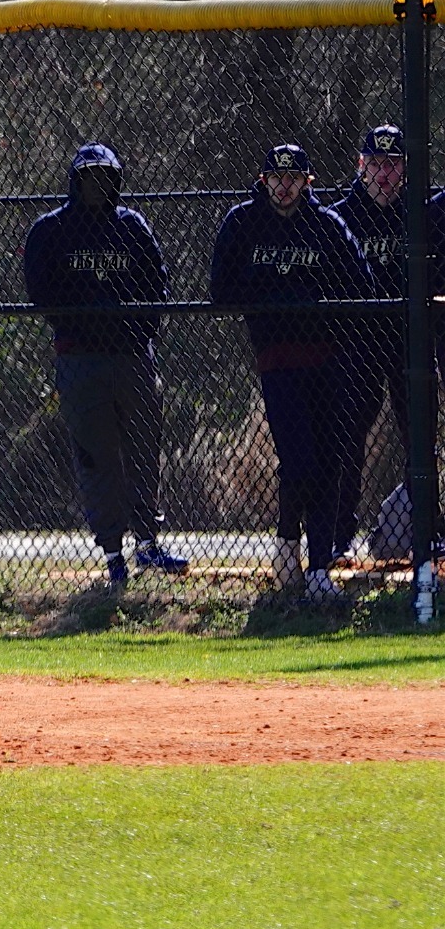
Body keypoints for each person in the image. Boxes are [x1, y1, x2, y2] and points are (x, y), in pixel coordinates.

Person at [211, 144, 374, 602]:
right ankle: (287, 541)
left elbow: (360, 287)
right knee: (299, 459)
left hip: (328, 359)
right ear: (263, 180)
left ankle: (318, 568)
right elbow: (220, 291)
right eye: (276, 177)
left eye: (294, 177)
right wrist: (278, 299)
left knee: (329, 462)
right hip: (277, 360)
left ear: (309, 181)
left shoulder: (327, 226)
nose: (284, 186)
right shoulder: (242, 223)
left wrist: (313, 303)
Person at [22, 142, 186, 585]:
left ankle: (148, 545)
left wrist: (139, 331)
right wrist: (84, 320)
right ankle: (113, 554)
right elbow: (41, 290)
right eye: (89, 175)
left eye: (104, 175)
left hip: (132, 358)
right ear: (75, 180)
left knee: (144, 451)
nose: (97, 183)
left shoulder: (132, 227)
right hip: (80, 363)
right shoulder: (51, 231)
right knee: (96, 457)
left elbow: (157, 284)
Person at [327, 125, 416, 564]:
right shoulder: (340, 218)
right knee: (348, 440)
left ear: (405, 169)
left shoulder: (419, 216)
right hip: (355, 344)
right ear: (361, 167)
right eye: (377, 164)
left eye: (394, 164)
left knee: (419, 436)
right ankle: (339, 538)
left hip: (408, 344)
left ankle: (426, 530)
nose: (385, 174)